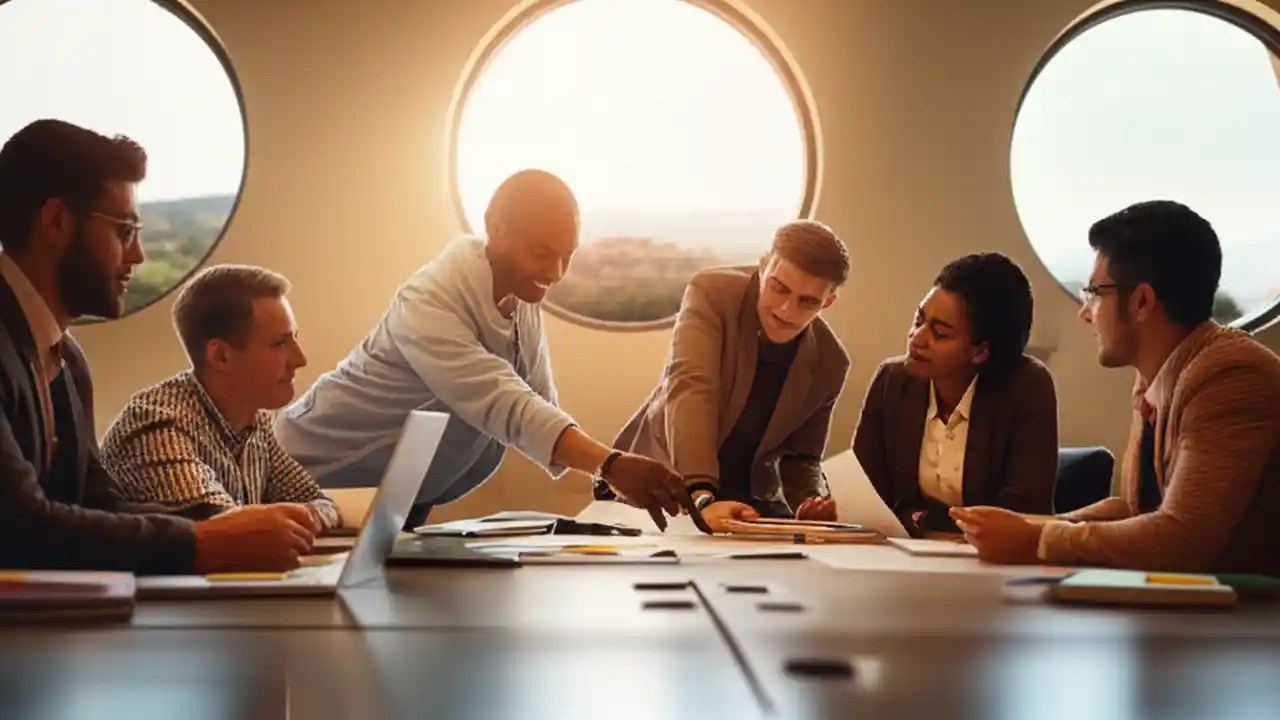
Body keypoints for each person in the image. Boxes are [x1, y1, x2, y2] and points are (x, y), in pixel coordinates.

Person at [277, 170, 685, 529]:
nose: (556, 273)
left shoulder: (519, 298)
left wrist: (611, 476)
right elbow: (503, 402)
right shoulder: (428, 300)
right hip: (311, 475)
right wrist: (612, 464)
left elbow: (539, 404)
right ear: (496, 227)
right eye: (543, 253)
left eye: (567, 256)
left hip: (399, 490)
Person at [0, 119, 317, 574]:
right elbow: (18, 527)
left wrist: (226, 528)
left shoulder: (66, 360)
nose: (138, 256)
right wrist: (202, 541)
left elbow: (98, 503)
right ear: (56, 222)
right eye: (125, 231)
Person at [953, 201, 1280, 574]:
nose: (1085, 311)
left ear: (1141, 301)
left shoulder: (1232, 376)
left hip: (1253, 621)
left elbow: (1184, 538)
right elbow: (1136, 510)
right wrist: (1026, 525)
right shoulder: (1156, 377)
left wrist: (1037, 541)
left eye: (1095, 292)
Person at [609, 220, 850, 531]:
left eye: (808, 301)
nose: (786, 310)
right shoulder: (711, 293)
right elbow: (692, 386)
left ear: (828, 302)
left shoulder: (832, 362)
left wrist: (809, 501)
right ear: (763, 266)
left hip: (750, 503)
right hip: (666, 484)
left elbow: (801, 457)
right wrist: (701, 495)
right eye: (779, 287)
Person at [100, 265, 340, 530]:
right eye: (280, 343)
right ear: (221, 356)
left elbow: (319, 503)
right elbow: (229, 532)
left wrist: (301, 517)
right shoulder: (157, 424)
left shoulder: (255, 420)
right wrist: (297, 518)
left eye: (294, 338)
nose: (300, 359)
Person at [853, 253, 1058, 536]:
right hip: (902, 554)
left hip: (990, 562)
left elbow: (1023, 510)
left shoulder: (1027, 386)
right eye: (919, 320)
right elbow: (865, 493)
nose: (917, 338)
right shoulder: (892, 380)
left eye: (940, 333)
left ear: (980, 351)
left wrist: (924, 518)